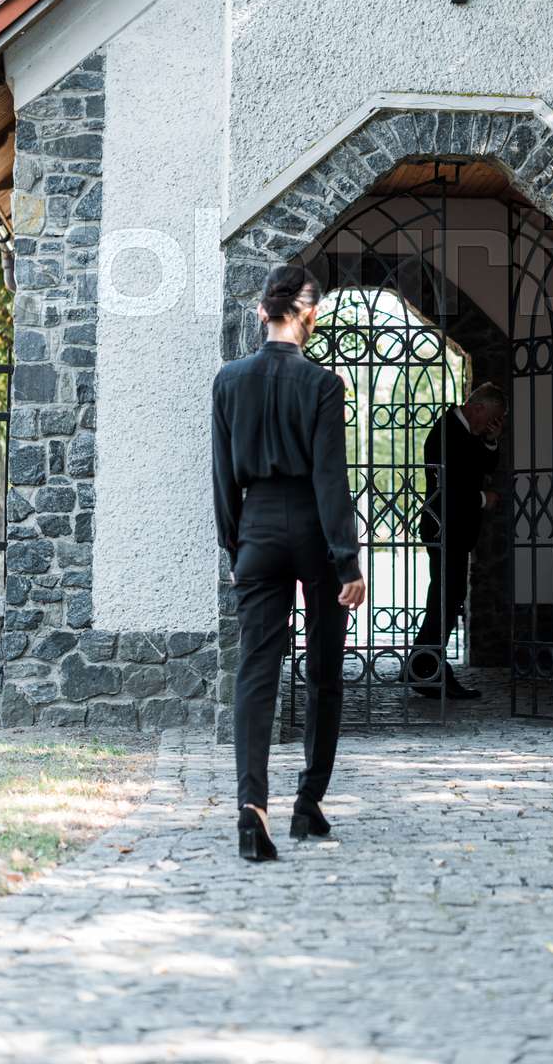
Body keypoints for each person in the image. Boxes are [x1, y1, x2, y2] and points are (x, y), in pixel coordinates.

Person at [211, 262, 366, 863]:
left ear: (261, 313)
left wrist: (235, 547)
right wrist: (346, 562)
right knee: (325, 668)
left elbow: (222, 477)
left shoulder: (228, 381)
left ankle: (252, 809)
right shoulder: (324, 386)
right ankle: (308, 804)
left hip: (255, 528)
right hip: (310, 527)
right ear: (310, 314)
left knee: (256, 672)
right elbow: (331, 480)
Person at [408, 383, 506, 701]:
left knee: (448, 599)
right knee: (445, 600)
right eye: (489, 419)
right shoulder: (447, 431)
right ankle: (427, 669)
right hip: (443, 527)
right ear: (477, 408)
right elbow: (449, 485)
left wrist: (491, 440)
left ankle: (424, 666)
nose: (487, 427)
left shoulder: (466, 432)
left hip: (455, 530)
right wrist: (482, 498)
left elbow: (484, 465)